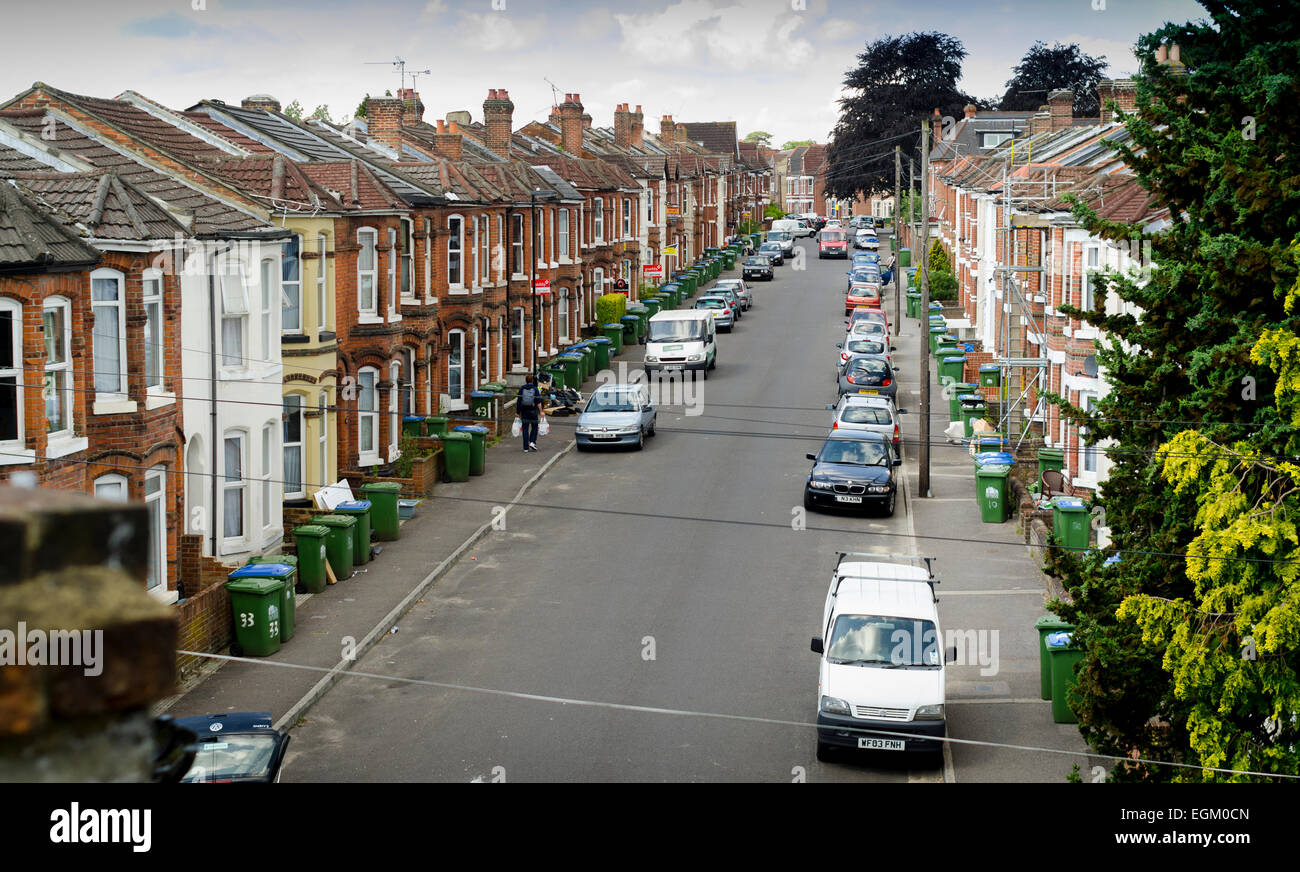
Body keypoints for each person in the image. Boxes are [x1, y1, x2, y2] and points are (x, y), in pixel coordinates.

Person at [516, 374, 545, 452]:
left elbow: (519, 401)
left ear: (526, 380)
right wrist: (541, 411)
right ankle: (532, 442)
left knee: (525, 429)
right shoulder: (535, 389)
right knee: (534, 426)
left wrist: (517, 412)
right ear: (532, 380)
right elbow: (538, 402)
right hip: (533, 411)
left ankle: (525, 448)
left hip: (524, 411)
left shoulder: (522, 388)